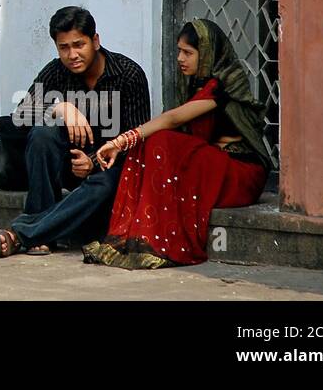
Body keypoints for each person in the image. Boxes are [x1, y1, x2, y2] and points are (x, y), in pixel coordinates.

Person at [82, 18, 271, 268]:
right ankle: (130, 235)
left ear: (206, 55)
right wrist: (131, 141)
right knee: (148, 144)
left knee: (161, 140)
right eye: (179, 51)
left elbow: (173, 119)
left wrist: (122, 140)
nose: (181, 58)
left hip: (239, 174)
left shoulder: (221, 85)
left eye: (188, 53)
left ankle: (157, 240)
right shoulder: (196, 84)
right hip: (214, 165)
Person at [0, 6, 151, 258]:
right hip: (66, 167)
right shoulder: (57, 71)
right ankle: (40, 234)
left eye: (79, 45)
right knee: (42, 135)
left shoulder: (128, 74)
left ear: (95, 41)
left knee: (105, 184)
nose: (72, 54)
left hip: (109, 172)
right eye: (64, 47)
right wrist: (60, 107)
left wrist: (93, 164)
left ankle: (26, 233)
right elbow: (20, 116)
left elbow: (138, 141)